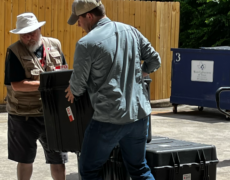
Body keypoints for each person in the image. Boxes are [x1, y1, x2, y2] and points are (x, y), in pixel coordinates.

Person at [65, 0, 161, 179]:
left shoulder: (86, 43)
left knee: (89, 170)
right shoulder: (131, 31)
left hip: (108, 119)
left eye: (78, 19)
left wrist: (72, 90)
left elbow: (78, 86)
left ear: (89, 16)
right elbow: (155, 60)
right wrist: (139, 73)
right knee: (139, 168)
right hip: (139, 115)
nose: (78, 24)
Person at [4, 13, 68, 180]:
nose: (29, 37)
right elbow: (17, 85)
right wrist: (46, 84)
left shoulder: (55, 45)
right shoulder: (14, 51)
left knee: (58, 159)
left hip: (52, 113)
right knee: (25, 160)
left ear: (40, 28)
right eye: (24, 34)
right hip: (23, 115)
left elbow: (64, 71)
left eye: (32, 32)